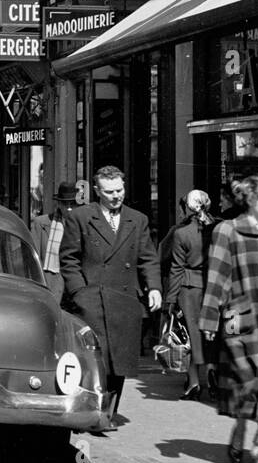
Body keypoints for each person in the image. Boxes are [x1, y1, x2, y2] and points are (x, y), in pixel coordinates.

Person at [59, 165, 162, 424]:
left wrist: (155, 288)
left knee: (120, 361)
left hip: (125, 300)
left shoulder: (137, 220)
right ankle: (92, 412)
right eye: (109, 192)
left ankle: (109, 412)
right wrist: (80, 293)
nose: (117, 196)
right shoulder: (81, 217)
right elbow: (69, 259)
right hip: (92, 300)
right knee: (96, 359)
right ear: (97, 191)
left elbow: (148, 258)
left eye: (120, 190)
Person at [198, 175, 258, 463]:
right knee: (243, 380)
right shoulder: (228, 231)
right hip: (240, 317)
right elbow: (217, 276)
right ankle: (240, 427)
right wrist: (210, 319)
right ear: (249, 201)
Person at [158, 189, 215, 399]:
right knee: (211, 334)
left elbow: (176, 268)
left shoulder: (181, 233)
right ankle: (211, 374)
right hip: (213, 286)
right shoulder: (219, 227)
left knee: (189, 337)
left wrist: (170, 299)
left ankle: (193, 383)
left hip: (189, 289)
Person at [30, 182, 79, 304]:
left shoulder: (83, 225)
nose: (68, 208)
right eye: (65, 203)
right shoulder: (41, 223)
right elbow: (33, 259)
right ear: (58, 204)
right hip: (51, 288)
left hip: (75, 290)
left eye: (72, 204)